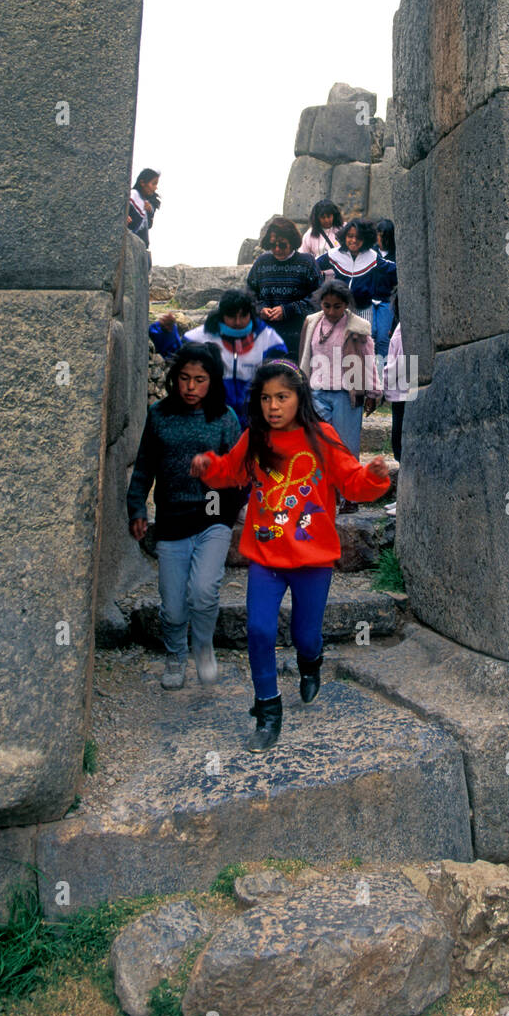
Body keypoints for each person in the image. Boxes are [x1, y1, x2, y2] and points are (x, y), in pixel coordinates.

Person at [190, 360, 391, 751]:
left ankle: (310, 661)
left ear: (300, 398)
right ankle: (267, 709)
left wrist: (375, 476)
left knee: (305, 634)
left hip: (313, 559)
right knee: (260, 630)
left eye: (282, 397)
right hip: (266, 554)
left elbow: (351, 480)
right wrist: (208, 467)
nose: (273, 406)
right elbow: (231, 471)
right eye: (265, 398)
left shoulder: (323, 438)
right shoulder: (256, 439)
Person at [127, 343, 247, 690]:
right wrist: (136, 507)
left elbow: (240, 470)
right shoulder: (159, 415)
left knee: (204, 591)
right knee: (174, 605)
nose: (191, 387)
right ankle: (175, 654)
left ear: (212, 381)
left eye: (199, 379)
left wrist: (222, 483)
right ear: (174, 378)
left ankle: (203, 648)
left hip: (212, 516)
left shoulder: (225, 418)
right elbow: (145, 465)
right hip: (172, 520)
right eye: (184, 378)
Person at [299, 280, 382, 512]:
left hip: (347, 394)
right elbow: (305, 355)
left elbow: (368, 361)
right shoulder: (312, 323)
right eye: (327, 306)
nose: (331, 311)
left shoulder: (358, 327)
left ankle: (350, 497)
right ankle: (320, 495)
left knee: (346, 446)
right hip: (316, 391)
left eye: (337, 306)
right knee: (316, 444)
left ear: (345, 304)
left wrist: (373, 392)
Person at [183, 288, 287, 428]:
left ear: (251, 314)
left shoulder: (267, 337)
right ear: (222, 315)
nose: (238, 322)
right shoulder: (202, 336)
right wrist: (165, 334)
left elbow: (280, 371)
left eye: (243, 316)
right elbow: (176, 357)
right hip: (214, 416)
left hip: (253, 417)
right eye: (232, 316)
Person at [247, 217, 321, 362]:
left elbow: (318, 298)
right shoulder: (261, 263)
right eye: (272, 245)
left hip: (298, 337)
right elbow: (249, 295)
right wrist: (260, 309)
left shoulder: (307, 263)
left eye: (282, 245)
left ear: (292, 243)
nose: (277, 249)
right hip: (266, 336)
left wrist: (288, 309)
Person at [315, 218, 396, 332]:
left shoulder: (371, 256)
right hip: (340, 307)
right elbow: (313, 265)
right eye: (350, 236)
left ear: (365, 238)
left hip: (364, 307)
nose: (354, 240)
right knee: (339, 339)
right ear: (344, 236)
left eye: (359, 237)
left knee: (363, 338)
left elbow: (391, 268)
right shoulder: (334, 254)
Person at [382, 288, 413, 517]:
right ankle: (402, 498)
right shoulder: (402, 327)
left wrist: (381, 381)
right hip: (399, 394)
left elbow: (398, 365)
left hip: (404, 394)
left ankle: (406, 500)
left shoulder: (407, 331)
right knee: (399, 446)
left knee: (403, 448)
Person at [371, 218, 397, 362]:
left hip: (386, 300)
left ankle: (383, 370)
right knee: (371, 333)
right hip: (370, 299)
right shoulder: (371, 251)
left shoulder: (396, 254)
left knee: (383, 337)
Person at [128, 168, 161, 266]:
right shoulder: (132, 195)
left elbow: (149, 225)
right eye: (153, 184)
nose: (155, 188)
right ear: (143, 183)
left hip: (142, 247)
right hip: (131, 245)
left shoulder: (148, 203)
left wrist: (150, 211)